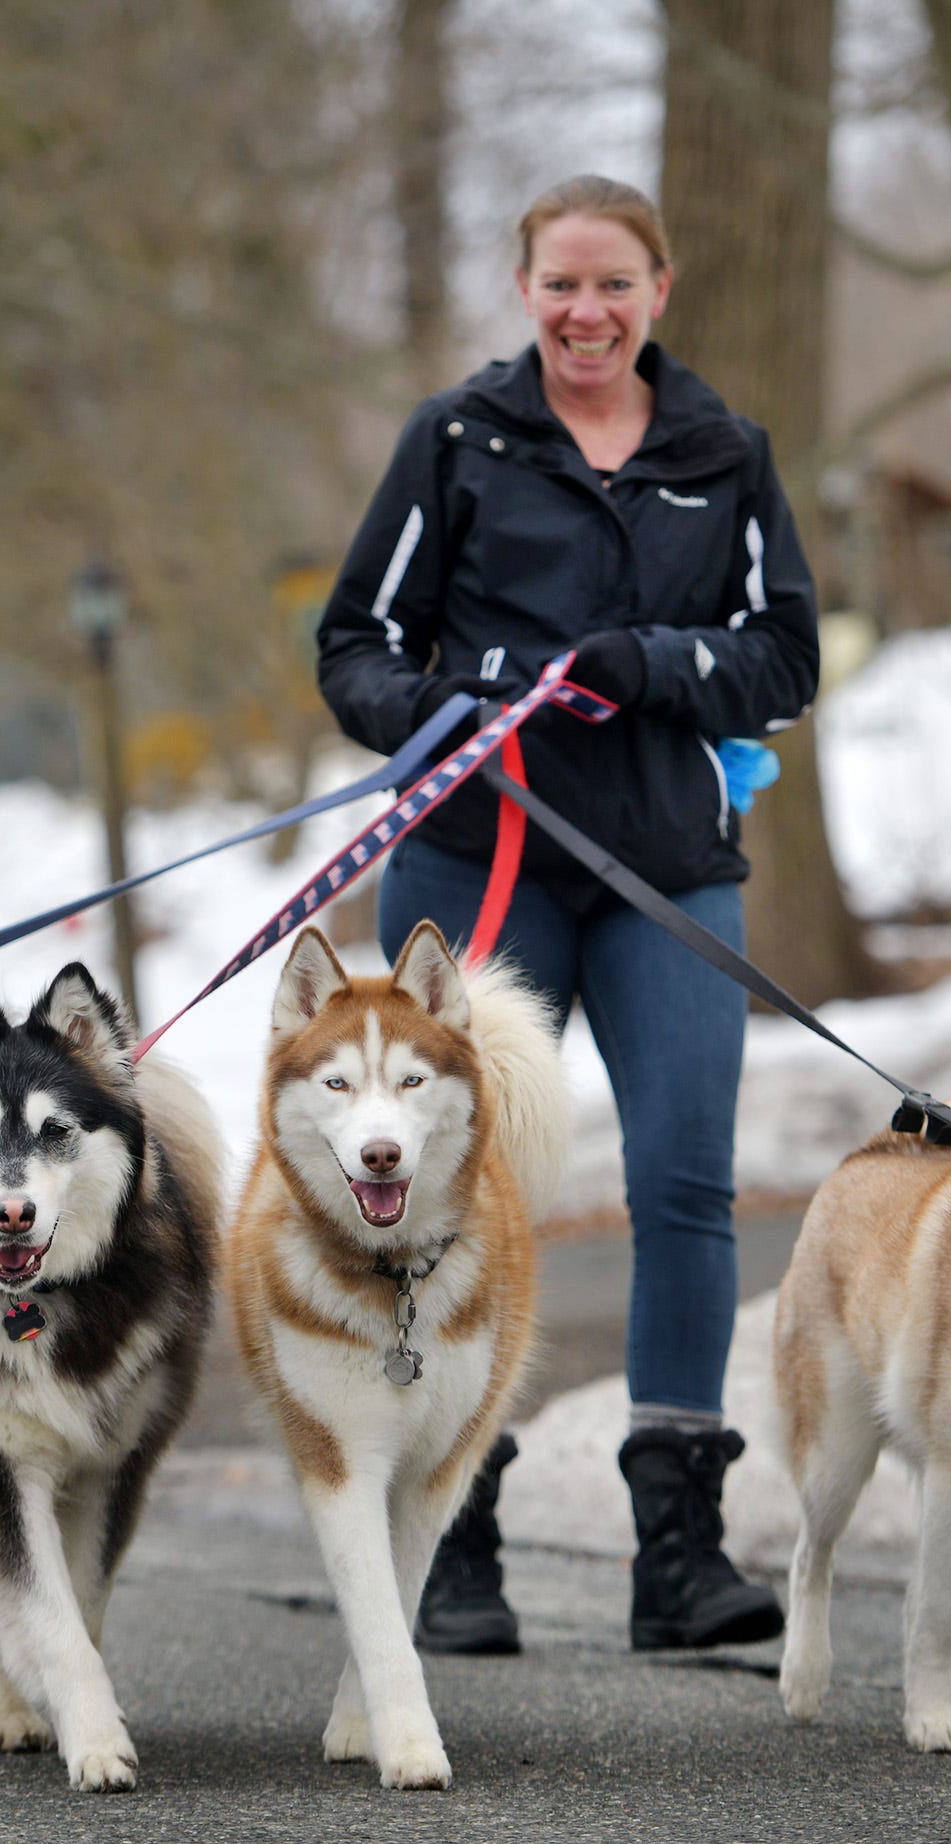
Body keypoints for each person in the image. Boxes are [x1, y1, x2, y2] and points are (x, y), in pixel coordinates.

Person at [314, 175, 819, 1655]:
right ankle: (453, 1538)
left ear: (662, 288)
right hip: (477, 864)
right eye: (560, 287)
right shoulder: (459, 441)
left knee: (682, 1184)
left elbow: (783, 655)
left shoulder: (725, 454)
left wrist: (651, 662)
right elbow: (356, 643)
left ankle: (680, 1548)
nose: (587, 314)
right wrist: (438, 709)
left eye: (615, 286)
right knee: (461, 1186)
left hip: (664, 873)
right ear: (522, 287)